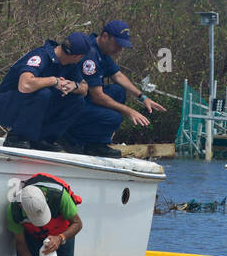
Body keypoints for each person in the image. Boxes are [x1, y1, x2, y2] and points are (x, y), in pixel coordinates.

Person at [63, 20, 166, 156]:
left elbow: (118, 75)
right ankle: (73, 139)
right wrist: (129, 111)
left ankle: (97, 143)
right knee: (114, 118)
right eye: (117, 44)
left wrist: (143, 97)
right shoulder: (90, 55)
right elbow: (97, 96)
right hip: (70, 105)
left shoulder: (102, 51)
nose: (119, 50)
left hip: (85, 99)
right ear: (105, 36)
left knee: (118, 92)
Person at [0, 32, 92, 152]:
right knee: (43, 93)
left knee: (77, 100)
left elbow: (84, 88)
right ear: (78, 56)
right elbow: (25, 85)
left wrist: (74, 86)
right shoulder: (41, 56)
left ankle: (43, 139)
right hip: (4, 105)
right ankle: (17, 137)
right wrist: (54, 81)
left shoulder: (70, 64)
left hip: (32, 109)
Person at [8, 175, 83, 256]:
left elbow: (77, 223)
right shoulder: (14, 211)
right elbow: (20, 242)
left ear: (44, 195)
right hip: (32, 236)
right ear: (21, 206)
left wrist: (60, 238)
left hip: (63, 233)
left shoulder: (59, 196)